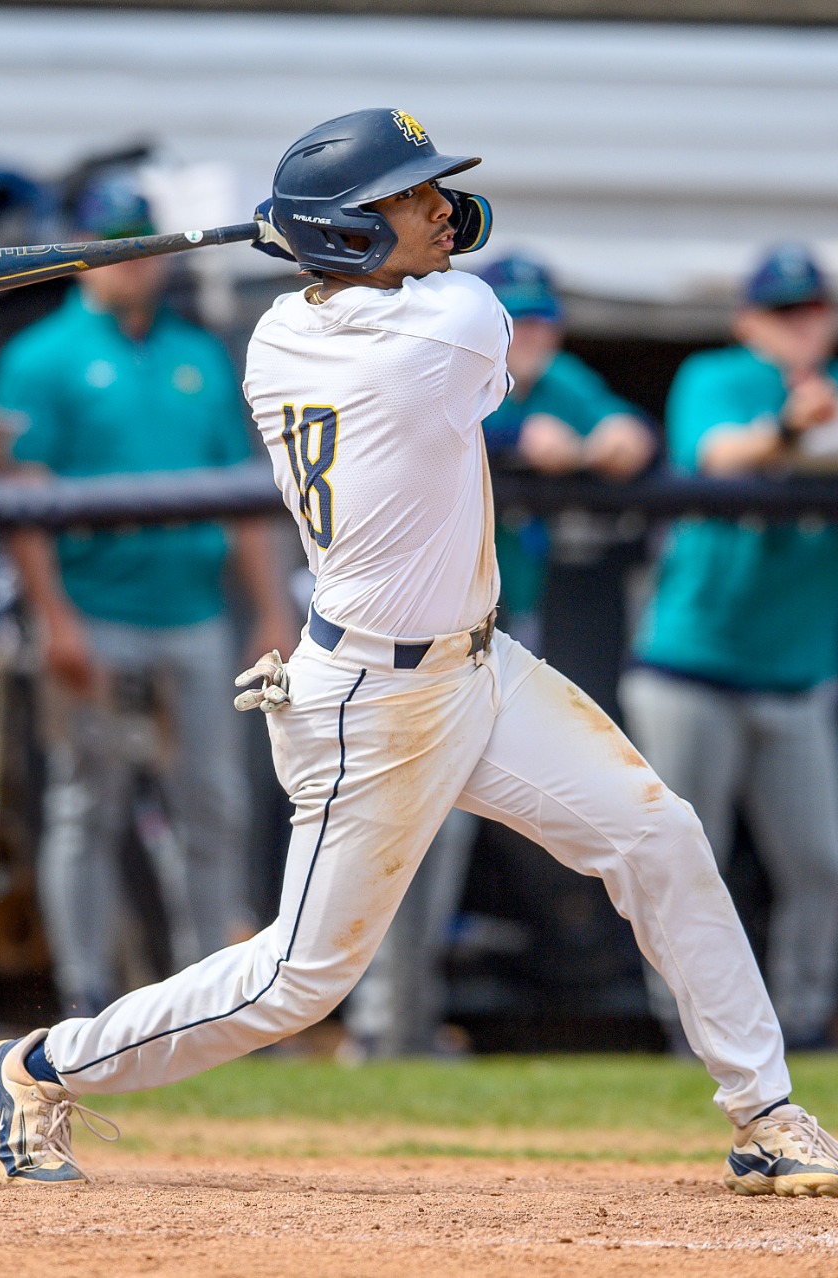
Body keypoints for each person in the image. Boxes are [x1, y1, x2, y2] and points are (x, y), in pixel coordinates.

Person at [0, 110, 838, 1198]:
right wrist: (344, 233)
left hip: (479, 670)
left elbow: (431, 250)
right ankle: (41, 1063)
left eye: (433, 190)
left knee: (657, 834)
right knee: (297, 983)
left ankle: (761, 1107)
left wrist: (338, 231)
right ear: (342, 236)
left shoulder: (281, 332)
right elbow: (469, 269)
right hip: (369, 703)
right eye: (408, 196)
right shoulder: (445, 330)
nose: (441, 208)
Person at [620, 244, 838, 1052]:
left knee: (823, 863)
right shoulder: (716, 375)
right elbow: (715, 453)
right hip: (690, 665)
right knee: (678, 863)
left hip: (796, 676)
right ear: (750, 321)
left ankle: (802, 1022)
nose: (800, 327)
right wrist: (787, 428)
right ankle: (685, 1033)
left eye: (813, 310)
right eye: (783, 312)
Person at [340, 253, 655, 1062]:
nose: (534, 336)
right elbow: (402, 415)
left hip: (492, 647)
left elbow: (622, 427)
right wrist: (512, 435)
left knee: (457, 842)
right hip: (401, 643)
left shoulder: (556, 381)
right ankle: (378, 1027)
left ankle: (402, 1026)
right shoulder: (441, 365)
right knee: (400, 838)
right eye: (520, 320)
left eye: (545, 320)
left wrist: (620, 435)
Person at [0, 172, 294, 1017]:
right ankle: (83, 988)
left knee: (216, 802)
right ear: (82, 254)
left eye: (142, 244)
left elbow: (243, 500)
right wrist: (52, 618)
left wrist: (269, 610)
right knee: (88, 800)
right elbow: (22, 502)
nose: (131, 263)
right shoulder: (38, 359)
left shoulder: (198, 354)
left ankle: (215, 991)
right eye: (113, 245)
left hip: (196, 610)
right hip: (93, 608)